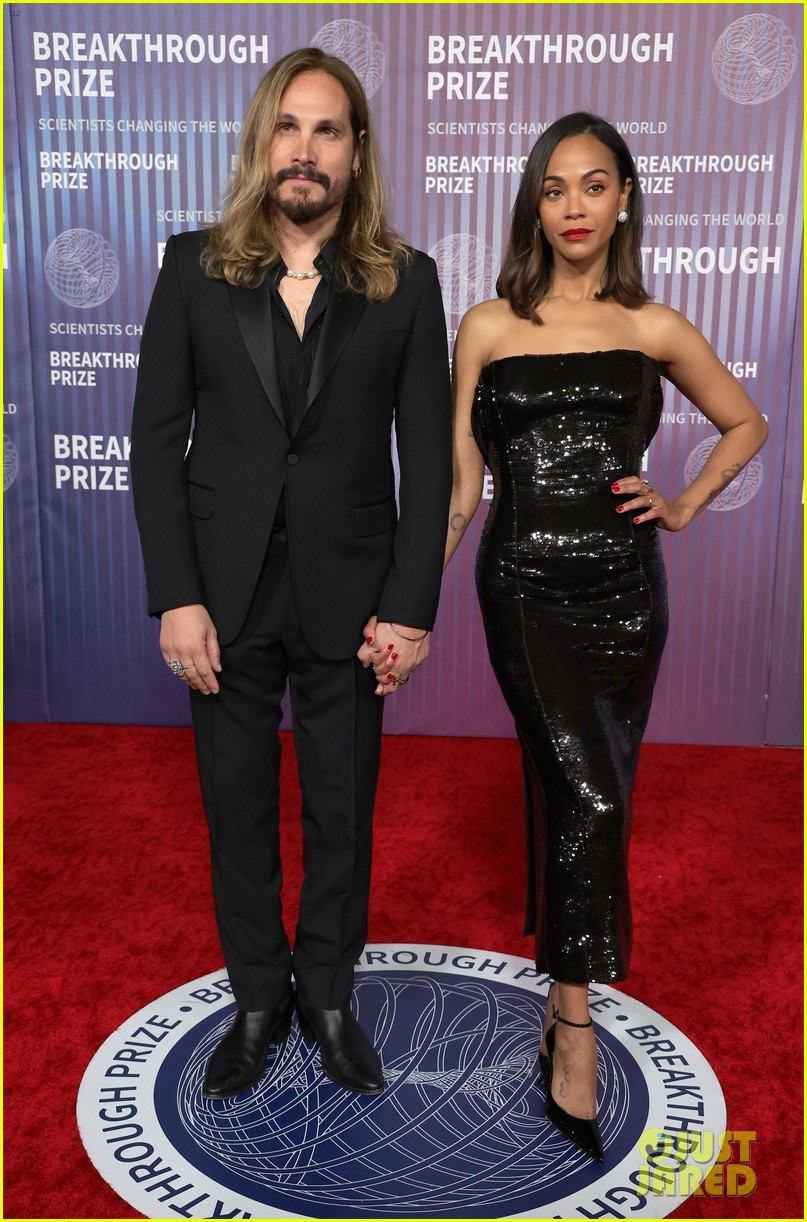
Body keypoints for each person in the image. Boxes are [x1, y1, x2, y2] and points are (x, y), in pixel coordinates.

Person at [444, 112, 767, 1162]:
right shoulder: (487, 325)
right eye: (555, 188)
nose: (574, 206)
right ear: (533, 204)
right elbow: (462, 487)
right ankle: (575, 1025)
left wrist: (681, 502)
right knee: (584, 787)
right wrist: (403, 600)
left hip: (628, 593)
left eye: (594, 185)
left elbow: (746, 420)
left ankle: (562, 1004)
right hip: (525, 588)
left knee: (600, 788)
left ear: (624, 197)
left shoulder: (657, 326)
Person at [130, 47, 452, 1101]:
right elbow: (155, 442)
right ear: (261, 141)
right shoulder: (191, 267)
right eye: (289, 127)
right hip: (220, 594)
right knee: (234, 806)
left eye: (329, 131)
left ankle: (327, 996)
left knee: (342, 806)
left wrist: (410, 609)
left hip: (352, 594)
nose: (305, 150)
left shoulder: (405, 282)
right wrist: (176, 593)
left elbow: (429, 458)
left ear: (357, 155)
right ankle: (259, 1000)